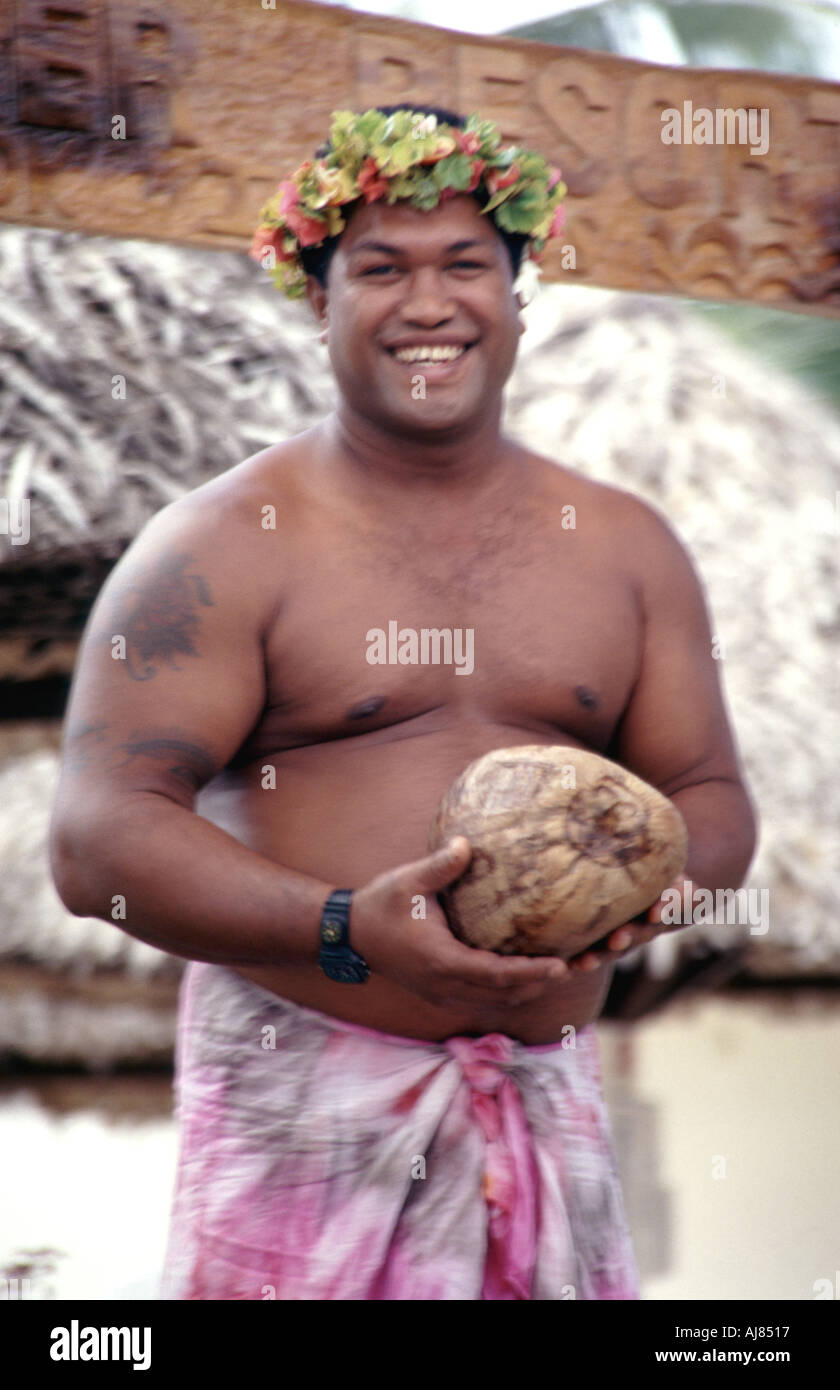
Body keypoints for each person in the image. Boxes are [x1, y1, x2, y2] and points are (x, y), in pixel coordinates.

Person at [48, 104, 757, 1300]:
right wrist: (340, 922)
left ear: (518, 292)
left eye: (466, 264)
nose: (428, 304)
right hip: (301, 1112)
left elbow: (710, 796)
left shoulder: (626, 548)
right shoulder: (217, 545)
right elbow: (95, 840)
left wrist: (654, 895)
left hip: (543, 1101)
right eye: (379, 268)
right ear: (317, 300)